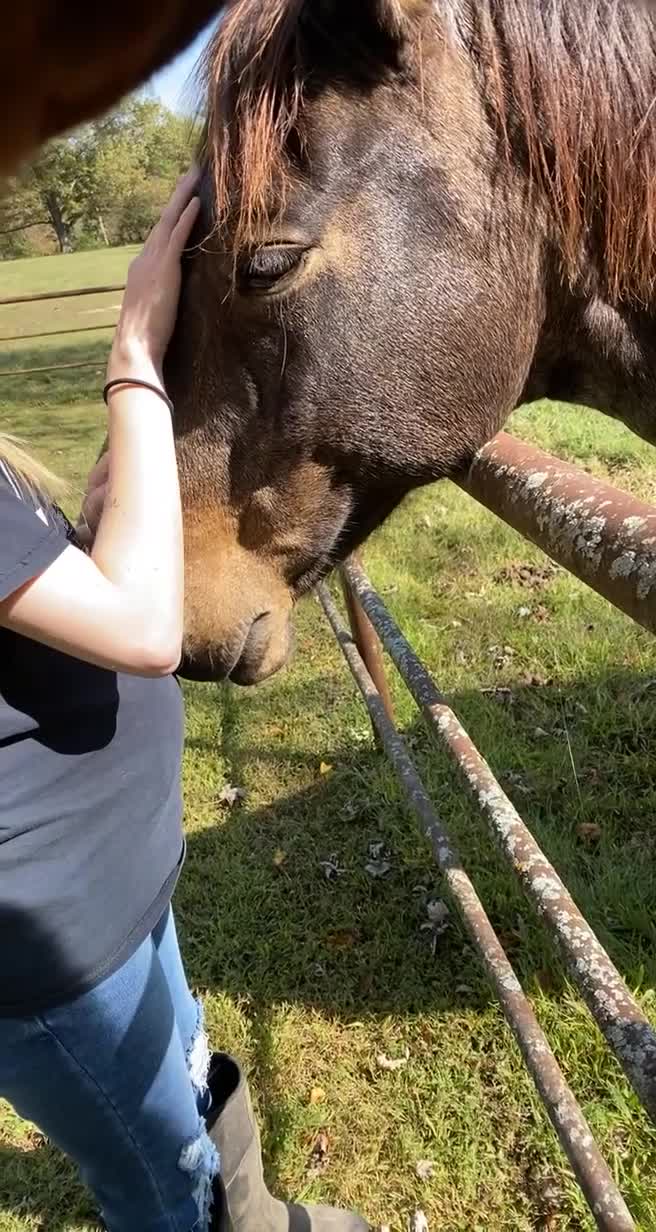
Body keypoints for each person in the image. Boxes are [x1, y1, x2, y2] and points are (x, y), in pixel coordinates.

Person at [0, 173, 368, 1232]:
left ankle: (244, 1210)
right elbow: (144, 631)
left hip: (103, 891)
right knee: (155, 1179)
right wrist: (132, 359)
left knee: (182, 1065)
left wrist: (87, 530)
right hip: (57, 941)